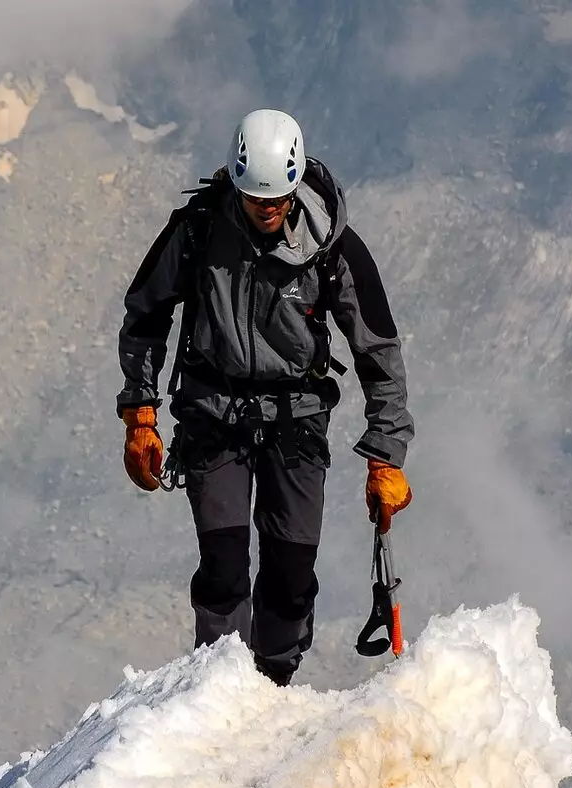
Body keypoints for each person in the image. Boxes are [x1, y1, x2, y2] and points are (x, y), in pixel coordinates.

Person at [115, 108, 415, 687]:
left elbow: (379, 351)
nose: (267, 211)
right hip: (212, 415)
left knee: (290, 573)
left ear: (296, 184)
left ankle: (273, 684)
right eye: (256, 200)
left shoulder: (331, 246)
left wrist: (387, 456)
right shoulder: (199, 229)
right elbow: (146, 313)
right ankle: (220, 692)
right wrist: (140, 413)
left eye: (276, 200)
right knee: (224, 567)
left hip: (297, 421)